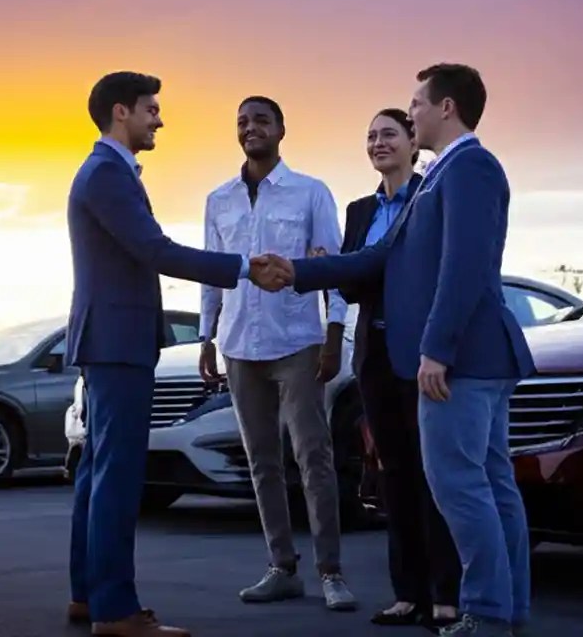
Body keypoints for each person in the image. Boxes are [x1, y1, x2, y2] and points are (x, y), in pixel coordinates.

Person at [251, 63, 535, 637]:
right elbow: (379, 259)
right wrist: (299, 271)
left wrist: (438, 349)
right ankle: (507, 609)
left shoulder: (471, 168)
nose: (412, 114)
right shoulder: (436, 177)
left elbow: (466, 266)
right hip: (469, 359)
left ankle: (485, 612)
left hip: (464, 362)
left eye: (418, 104)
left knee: (461, 486)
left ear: (447, 108)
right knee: (490, 485)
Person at [65, 71, 265, 637]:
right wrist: (245, 267)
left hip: (111, 341)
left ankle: (88, 595)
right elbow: (155, 250)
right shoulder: (107, 174)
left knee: (99, 473)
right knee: (117, 476)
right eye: (151, 109)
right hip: (117, 343)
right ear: (120, 112)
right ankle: (116, 610)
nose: (159, 118)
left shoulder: (109, 172)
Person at [198, 96, 355, 611]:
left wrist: (333, 336)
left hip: (297, 343)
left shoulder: (310, 193)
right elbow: (213, 275)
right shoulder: (218, 200)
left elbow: (331, 268)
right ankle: (282, 567)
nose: (250, 128)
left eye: (261, 120)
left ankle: (331, 571)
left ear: (281, 129)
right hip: (240, 345)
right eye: (241, 121)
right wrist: (206, 337)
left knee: (314, 457)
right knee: (261, 461)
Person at [340, 108, 461, 629]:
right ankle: (406, 593)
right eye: (370, 136)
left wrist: (371, 269)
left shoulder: (428, 197)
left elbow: (421, 273)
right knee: (392, 473)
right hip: (373, 353)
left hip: (421, 355)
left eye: (388, 133)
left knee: (431, 475)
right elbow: (349, 283)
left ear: (414, 142)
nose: (377, 143)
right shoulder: (360, 210)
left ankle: (446, 595)